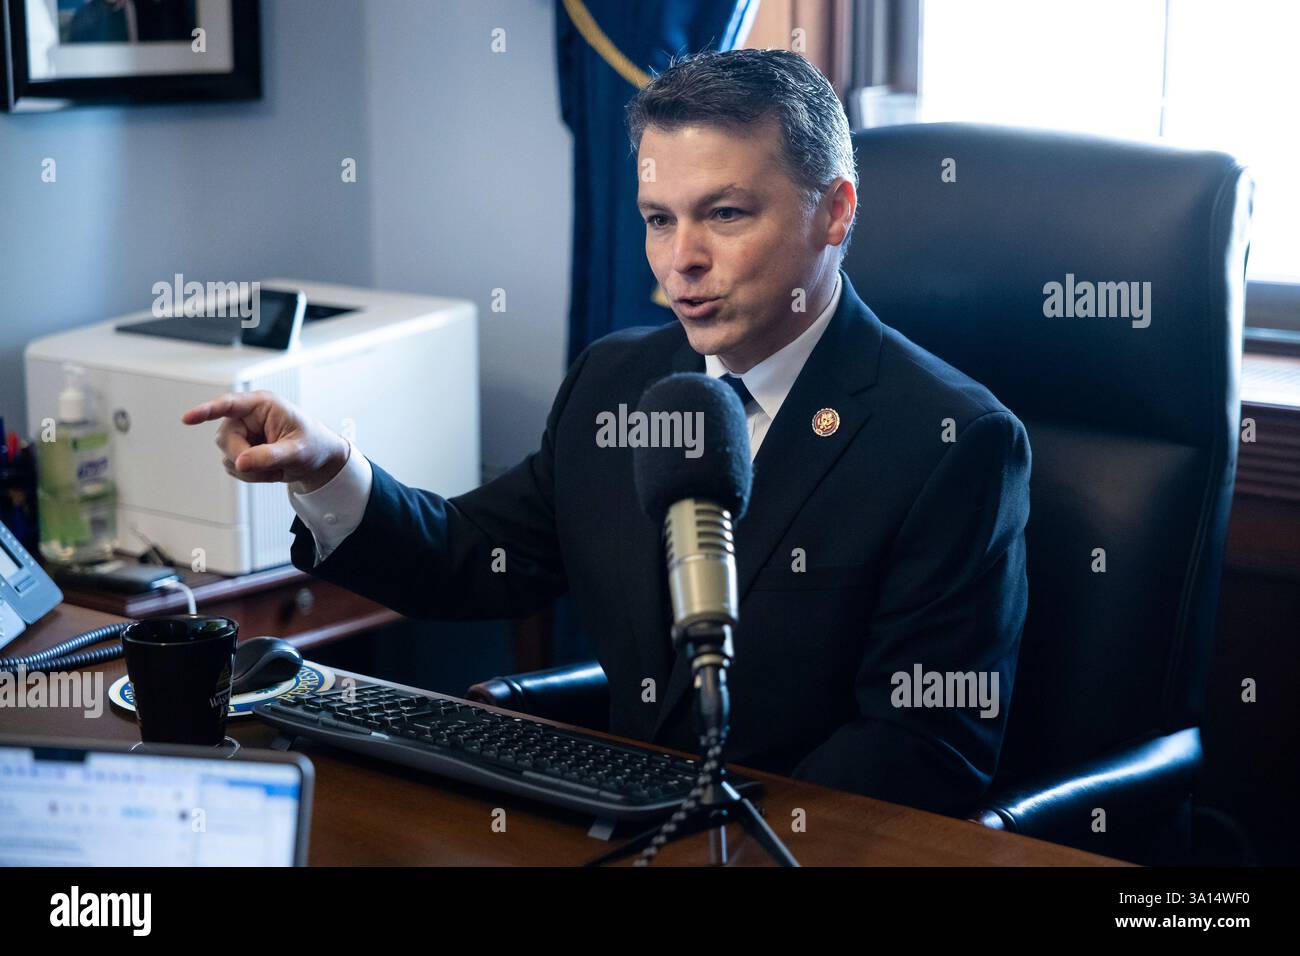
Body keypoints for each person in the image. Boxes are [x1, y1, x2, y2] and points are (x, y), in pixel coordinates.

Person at [182, 49, 1031, 816]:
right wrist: (331, 473)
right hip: (621, 826)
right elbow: (474, 558)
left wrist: (715, 831)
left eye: (725, 214)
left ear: (835, 211)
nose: (680, 259)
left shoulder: (954, 441)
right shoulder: (616, 382)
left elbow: (924, 749)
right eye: (659, 218)